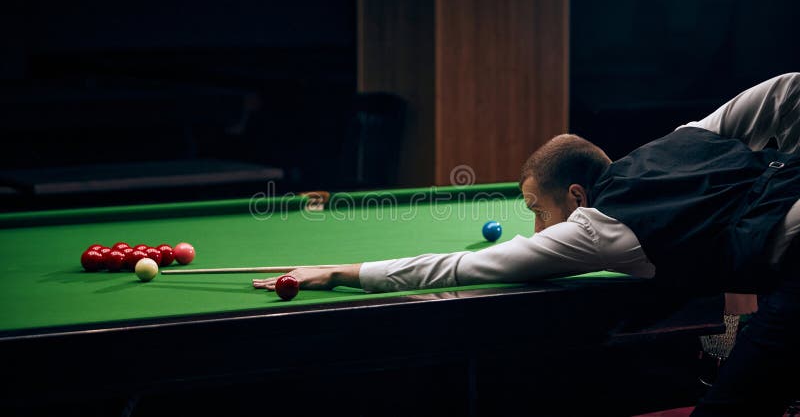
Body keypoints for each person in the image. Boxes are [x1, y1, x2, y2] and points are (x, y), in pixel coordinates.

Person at [253, 72, 800, 415]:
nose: (540, 229)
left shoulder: (598, 227)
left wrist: (338, 272)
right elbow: (787, 90)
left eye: (539, 211)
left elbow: (459, 267)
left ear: (577, 195)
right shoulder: (686, 137)